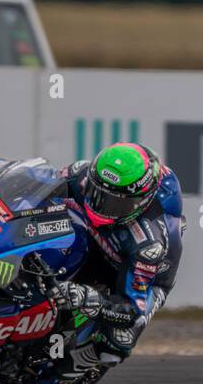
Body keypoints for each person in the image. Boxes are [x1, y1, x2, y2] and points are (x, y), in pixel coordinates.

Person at [54, 142, 184, 371]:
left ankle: (74, 368)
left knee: (117, 343)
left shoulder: (148, 243)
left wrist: (88, 300)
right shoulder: (81, 173)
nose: (102, 206)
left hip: (146, 275)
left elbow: (132, 309)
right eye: (98, 194)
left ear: (140, 203)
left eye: (116, 203)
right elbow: (42, 187)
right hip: (99, 241)